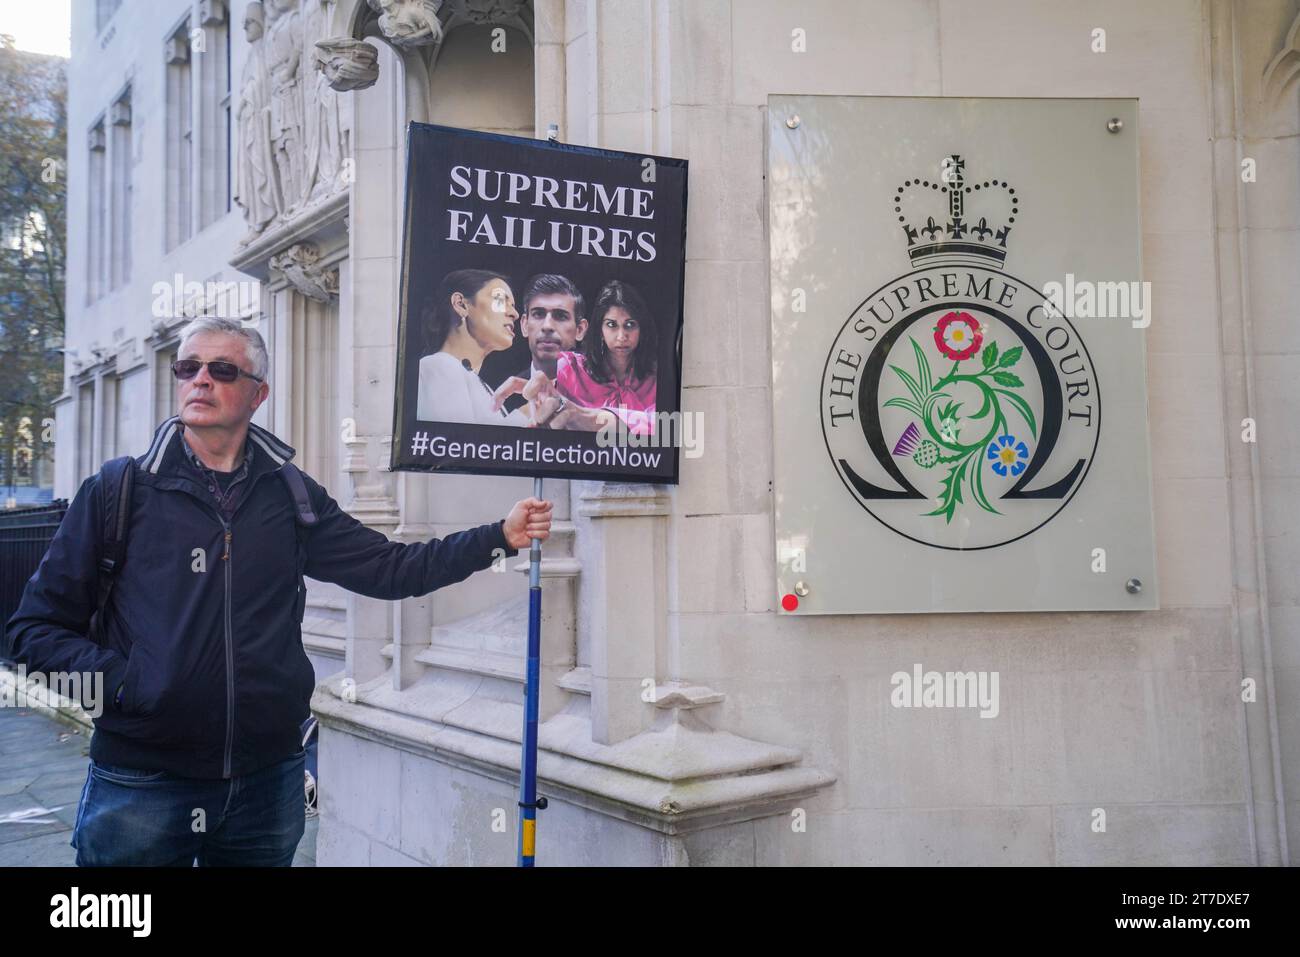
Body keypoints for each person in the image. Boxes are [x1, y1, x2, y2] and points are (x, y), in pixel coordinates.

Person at [6, 316, 552, 866]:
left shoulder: (289, 492)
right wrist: (128, 687)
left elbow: (391, 568)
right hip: (143, 782)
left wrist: (498, 537)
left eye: (221, 370)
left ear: (258, 393)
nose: (200, 381)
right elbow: (33, 631)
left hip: (267, 783)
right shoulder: (118, 490)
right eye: (188, 368)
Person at [502, 280, 658, 434]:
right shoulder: (570, 367)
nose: (621, 336)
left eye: (630, 325)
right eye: (611, 325)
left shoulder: (659, 378)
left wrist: (588, 418)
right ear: (600, 330)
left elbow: (669, 429)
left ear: (641, 329)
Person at [415, 269, 538, 426]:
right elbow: (457, 445)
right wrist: (526, 414)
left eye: (513, 305)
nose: (515, 313)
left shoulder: (479, 385)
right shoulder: (438, 366)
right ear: (461, 305)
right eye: (500, 300)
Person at [496, 273, 588, 415]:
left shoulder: (608, 390)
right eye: (538, 314)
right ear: (525, 325)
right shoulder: (504, 398)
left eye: (560, 316)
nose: (547, 326)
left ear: (580, 330)